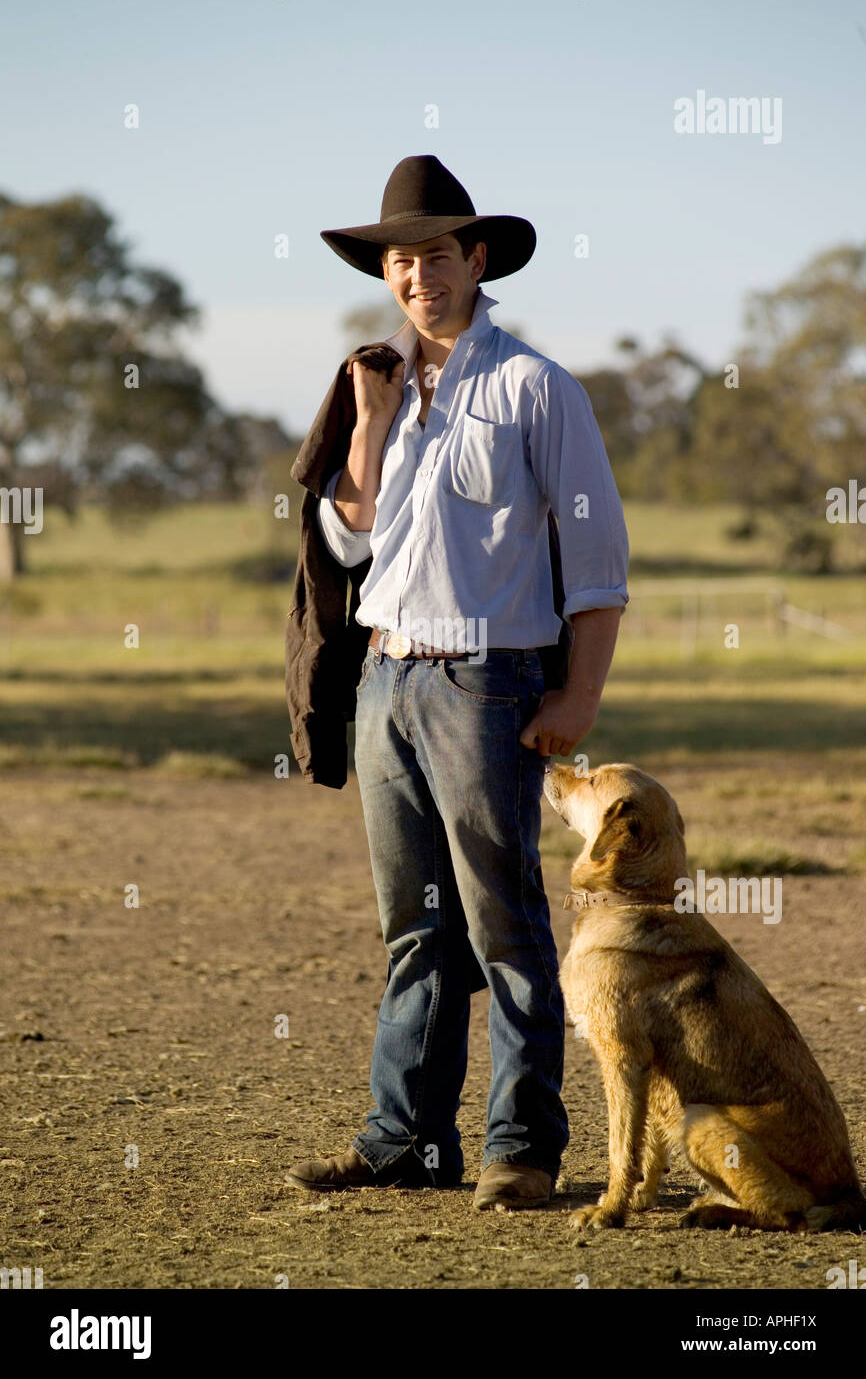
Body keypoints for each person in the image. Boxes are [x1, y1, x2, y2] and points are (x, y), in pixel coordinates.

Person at [287, 155, 629, 1210]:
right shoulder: (370, 385)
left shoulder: (535, 388)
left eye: (435, 254)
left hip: (487, 683)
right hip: (384, 681)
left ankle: (520, 1148)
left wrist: (576, 699)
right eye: (398, 260)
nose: (416, 275)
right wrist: (370, 426)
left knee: (504, 926)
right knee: (415, 932)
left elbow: (597, 562)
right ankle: (407, 1144)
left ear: (476, 260)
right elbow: (347, 549)